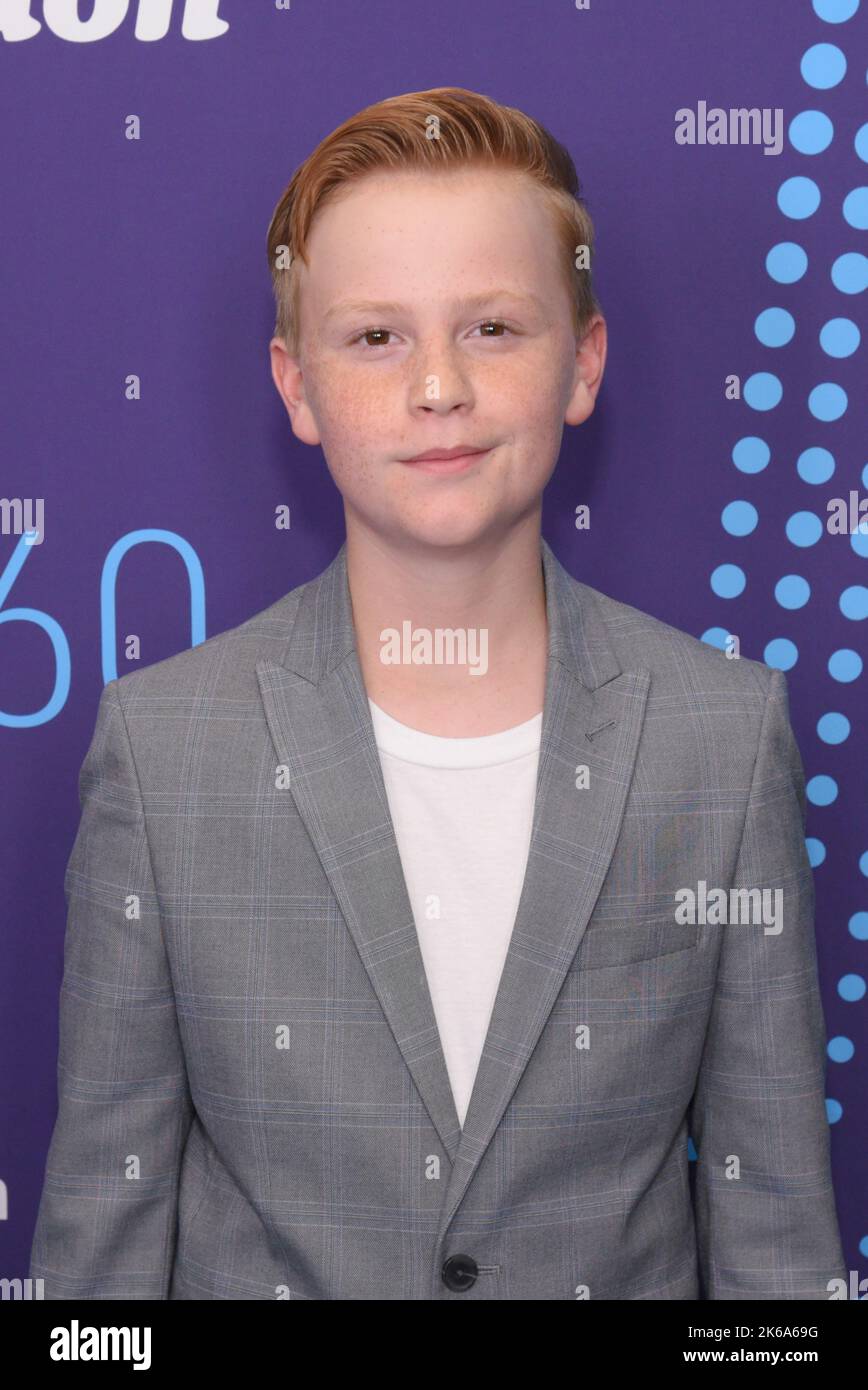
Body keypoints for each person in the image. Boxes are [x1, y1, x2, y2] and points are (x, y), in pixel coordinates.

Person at [30, 86, 846, 1300]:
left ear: (584, 361)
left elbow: (773, 1233)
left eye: (493, 329)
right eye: (375, 337)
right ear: (296, 386)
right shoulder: (164, 751)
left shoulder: (719, 737)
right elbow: (104, 1233)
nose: (437, 389)